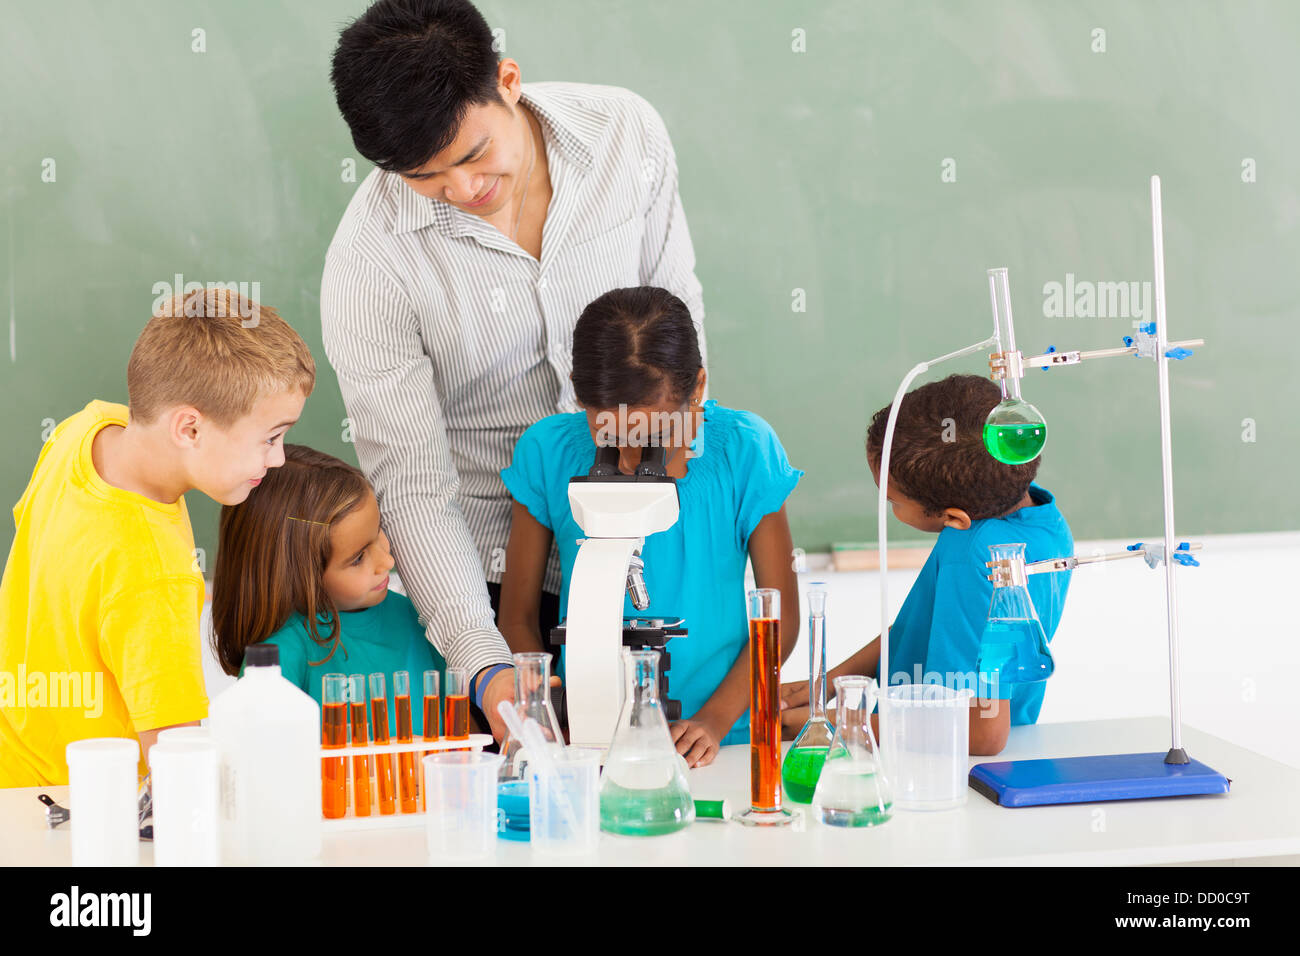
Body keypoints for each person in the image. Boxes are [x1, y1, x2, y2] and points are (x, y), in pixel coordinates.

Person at [321, 0, 707, 740]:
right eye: (426, 178)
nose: (464, 192)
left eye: (471, 156)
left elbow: (678, 317)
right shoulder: (370, 263)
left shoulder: (625, 137)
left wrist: (671, 495)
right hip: (495, 574)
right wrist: (488, 667)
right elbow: (413, 483)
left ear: (507, 81)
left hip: (650, 537)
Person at [0, 288, 314, 785]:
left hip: (13, 772)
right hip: (81, 807)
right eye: (271, 437)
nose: (277, 459)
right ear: (189, 429)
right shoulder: (155, 573)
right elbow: (176, 759)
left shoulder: (80, 433)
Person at [499, 287, 800, 768]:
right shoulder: (547, 451)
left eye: (654, 436)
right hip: (588, 738)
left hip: (723, 738)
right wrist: (550, 711)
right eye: (611, 437)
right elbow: (516, 618)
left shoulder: (746, 450)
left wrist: (714, 721)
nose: (632, 459)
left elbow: (778, 623)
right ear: (581, 393)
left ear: (697, 387)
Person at [780, 374, 1073, 756]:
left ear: (953, 517)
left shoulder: (974, 552)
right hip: (983, 752)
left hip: (945, 768)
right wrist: (828, 686)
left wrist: (833, 723)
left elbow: (980, 734)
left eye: (893, 500)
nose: (890, 506)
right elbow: (917, 627)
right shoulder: (1046, 524)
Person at [210, 445, 448, 737]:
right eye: (359, 557)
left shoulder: (418, 615)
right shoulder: (280, 658)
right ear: (297, 576)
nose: (387, 561)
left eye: (379, 532)